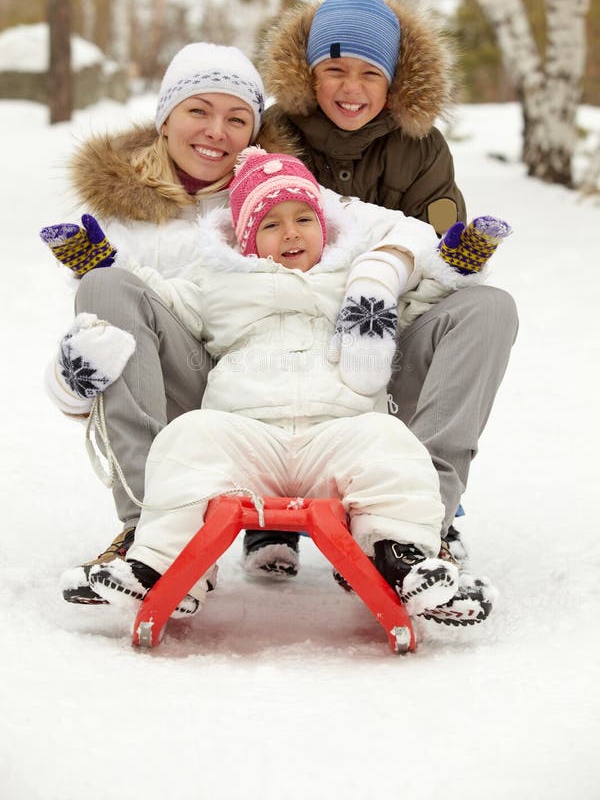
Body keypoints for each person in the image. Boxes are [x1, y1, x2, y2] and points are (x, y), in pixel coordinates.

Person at [63, 148, 508, 625]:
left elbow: (416, 307)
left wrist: (452, 268)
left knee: (390, 444)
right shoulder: (217, 283)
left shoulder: (352, 280)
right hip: (246, 437)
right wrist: (108, 265)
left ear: (324, 226)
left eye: (303, 219)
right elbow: (161, 301)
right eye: (270, 224)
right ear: (246, 240)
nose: (291, 232)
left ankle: (402, 557)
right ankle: (161, 564)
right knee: (187, 439)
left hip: (339, 436)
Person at [244, 0, 519, 577]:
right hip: (286, 331)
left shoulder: (423, 149)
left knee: (488, 307)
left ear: (394, 82)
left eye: (371, 72)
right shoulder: (271, 133)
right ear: (308, 74)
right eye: (335, 70)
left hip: (388, 322)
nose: (352, 88)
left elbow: (435, 253)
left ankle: (425, 513)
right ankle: (267, 506)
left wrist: (450, 259)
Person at [40, 42, 294, 606]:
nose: (216, 132)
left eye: (237, 118)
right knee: (106, 285)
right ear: (164, 118)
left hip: (261, 393)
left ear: (255, 133)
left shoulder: (277, 204)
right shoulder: (117, 220)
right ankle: (149, 532)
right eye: (198, 110)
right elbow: (94, 378)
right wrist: (74, 379)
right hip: (167, 390)